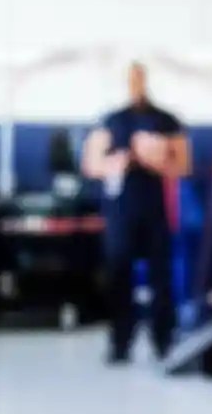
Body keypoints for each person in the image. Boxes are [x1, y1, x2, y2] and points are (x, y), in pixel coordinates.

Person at [82, 61, 191, 364]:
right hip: (120, 212)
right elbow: (91, 164)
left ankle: (164, 341)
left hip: (156, 211)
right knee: (119, 276)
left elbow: (183, 165)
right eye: (130, 79)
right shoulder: (112, 121)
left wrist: (153, 160)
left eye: (139, 78)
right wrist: (118, 162)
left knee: (161, 278)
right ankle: (120, 343)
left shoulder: (166, 121)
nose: (135, 85)